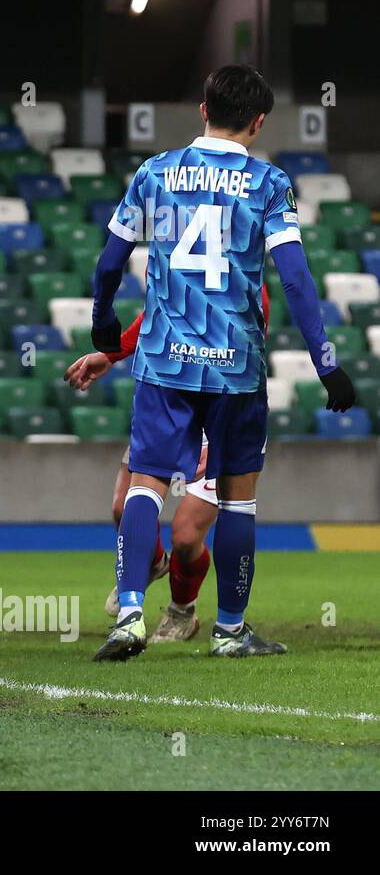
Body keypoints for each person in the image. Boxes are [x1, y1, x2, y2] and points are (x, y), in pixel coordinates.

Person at [89, 64, 354, 661]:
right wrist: (325, 361)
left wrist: (105, 326)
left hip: (164, 361)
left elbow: (109, 263)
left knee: (144, 488)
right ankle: (230, 631)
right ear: (259, 122)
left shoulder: (153, 173)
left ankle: (129, 614)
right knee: (238, 499)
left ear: (203, 109)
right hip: (235, 367)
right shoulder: (269, 183)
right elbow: (296, 279)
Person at [65, 283, 267, 643]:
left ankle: (181, 611)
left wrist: (221, 437)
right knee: (120, 507)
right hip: (169, 400)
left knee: (186, 536)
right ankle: (154, 563)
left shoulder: (244, 273)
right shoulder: (177, 249)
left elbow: (249, 348)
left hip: (221, 406)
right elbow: (153, 314)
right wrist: (111, 355)